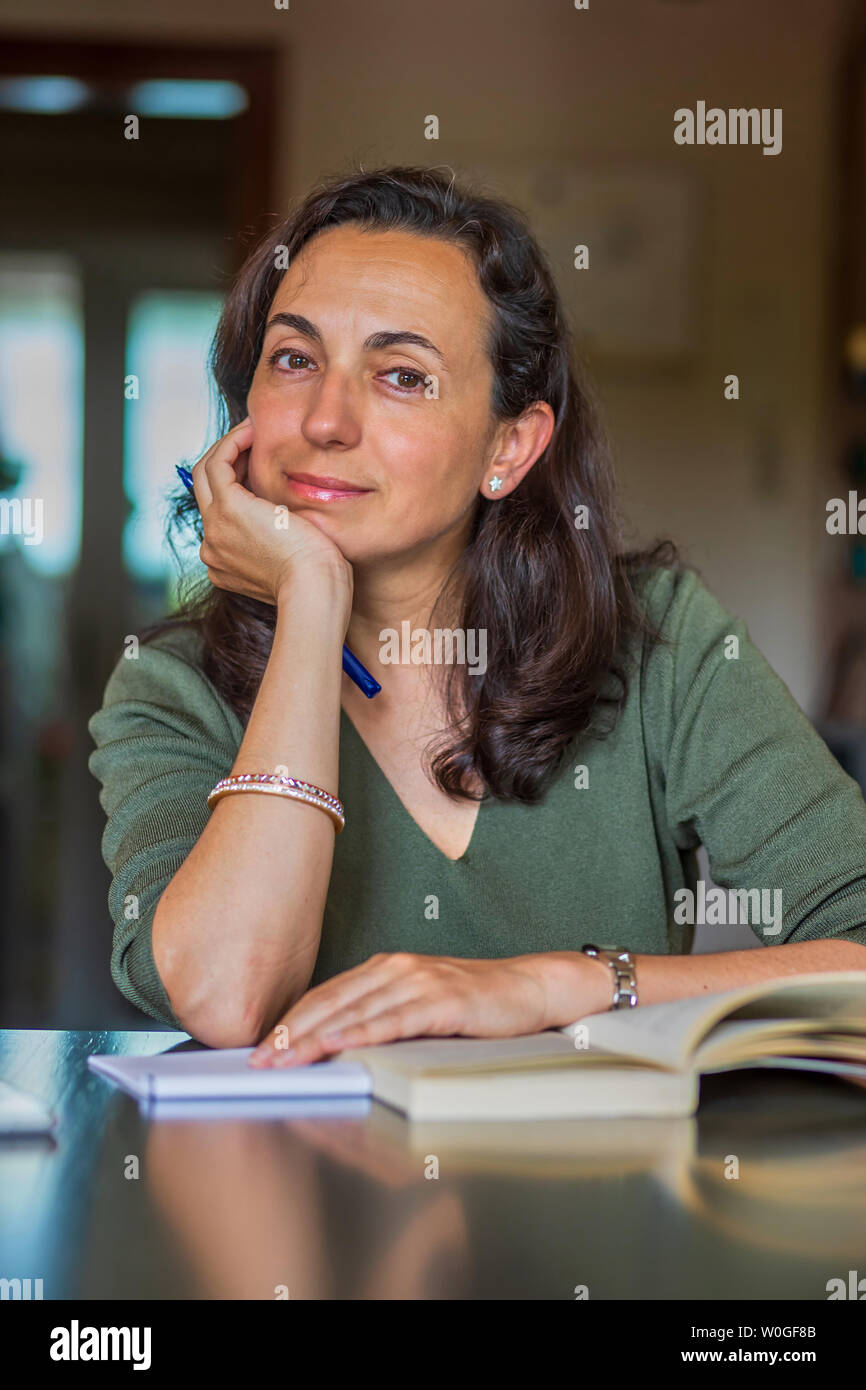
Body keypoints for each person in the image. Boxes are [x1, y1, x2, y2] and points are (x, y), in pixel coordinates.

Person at [88, 165, 866, 1061]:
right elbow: (229, 997)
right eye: (294, 359)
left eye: (403, 376)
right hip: (300, 1195)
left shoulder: (660, 642)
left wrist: (557, 985)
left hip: (600, 1199)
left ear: (509, 446)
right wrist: (311, 601)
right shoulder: (170, 687)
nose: (326, 420)